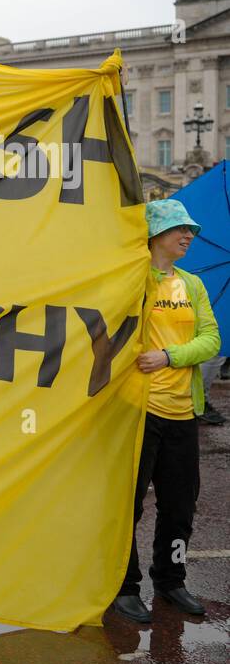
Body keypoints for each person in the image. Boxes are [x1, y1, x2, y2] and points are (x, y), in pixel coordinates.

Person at [114, 199, 219, 623]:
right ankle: (124, 587)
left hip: (182, 414)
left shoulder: (192, 284)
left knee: (179, 505)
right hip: (138, 413)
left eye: (191, 229)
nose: (188, 235)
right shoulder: (135, 280)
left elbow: (211, 340)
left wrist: (170, 356)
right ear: (155, 233)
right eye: (180, 228)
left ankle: (170, 580)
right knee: (129, 505)